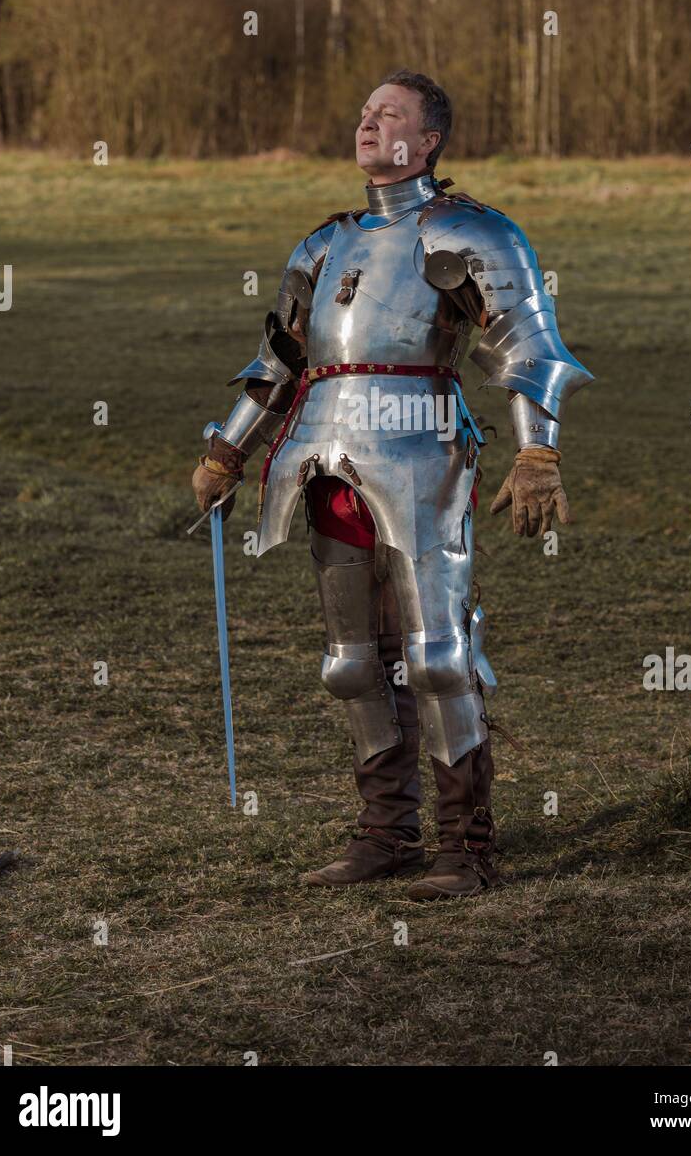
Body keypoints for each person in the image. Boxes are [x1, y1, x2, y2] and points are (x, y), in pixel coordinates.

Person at [192, 69, 592, 899]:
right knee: (348, 662)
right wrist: (229, 451)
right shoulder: (323, 242)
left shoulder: (474, 232)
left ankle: (469, 849)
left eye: (391, 114)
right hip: (320, 459)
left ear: (430, 139)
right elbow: (281, 363)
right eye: (367, 112)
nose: (370, 123)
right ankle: (385, 835)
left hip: (422, 451)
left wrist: (537, 454)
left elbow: (531, 347)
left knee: (438, 656)